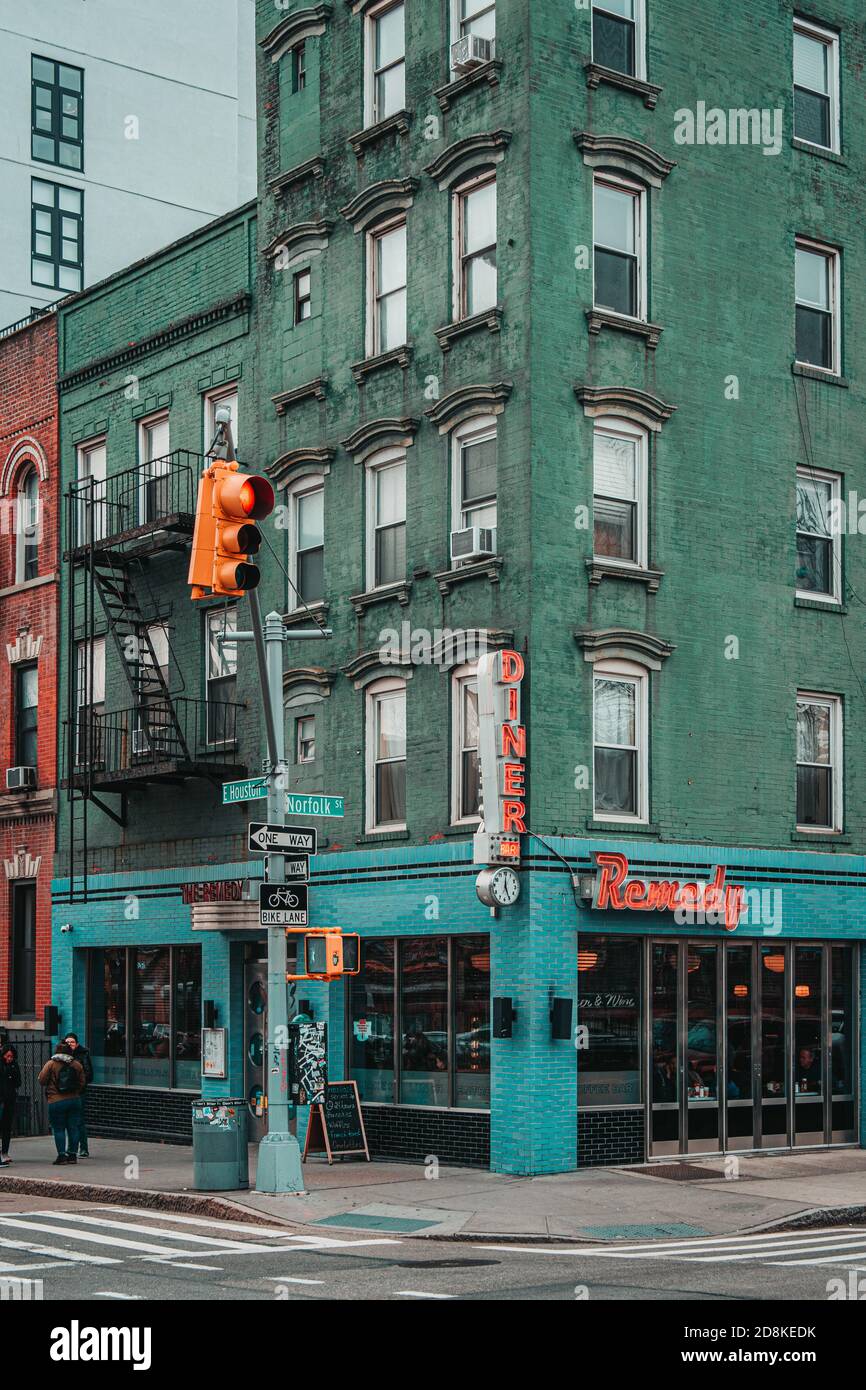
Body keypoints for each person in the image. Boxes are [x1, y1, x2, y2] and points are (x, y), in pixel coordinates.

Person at [37, 1042, 85, 1164]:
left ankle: (62, 1156)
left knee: (59, 1129)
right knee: (73, 1128)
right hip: (74, 1100)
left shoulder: (51, 1064)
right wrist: (75, 1092)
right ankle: (73, 1155)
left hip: (56, 1100)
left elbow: (42, 1080)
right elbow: (82, 1083)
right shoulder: (76, 1064)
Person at [64, 1032, 93, 1157]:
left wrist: (78, 1083)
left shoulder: (83, 1054)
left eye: (72, 1042)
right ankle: (71, 1148)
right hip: (66, 1093)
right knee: (69, 1121)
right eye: (68, 1042)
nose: (70, 1044)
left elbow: (89, 1074)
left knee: (79, 1120)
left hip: (79, 1092)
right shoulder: (62, 1055)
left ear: (77, 1044)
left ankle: (83, 1148)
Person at [0, 1044, 21, 1164]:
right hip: (1, 1098)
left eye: (11, 1056)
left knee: (7, 1126)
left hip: (9, 1099)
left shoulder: (14, 1065)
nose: (9, 1058)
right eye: (7, 1056)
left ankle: (5, 1151)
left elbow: (18, 1082)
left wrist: (11, 1072)